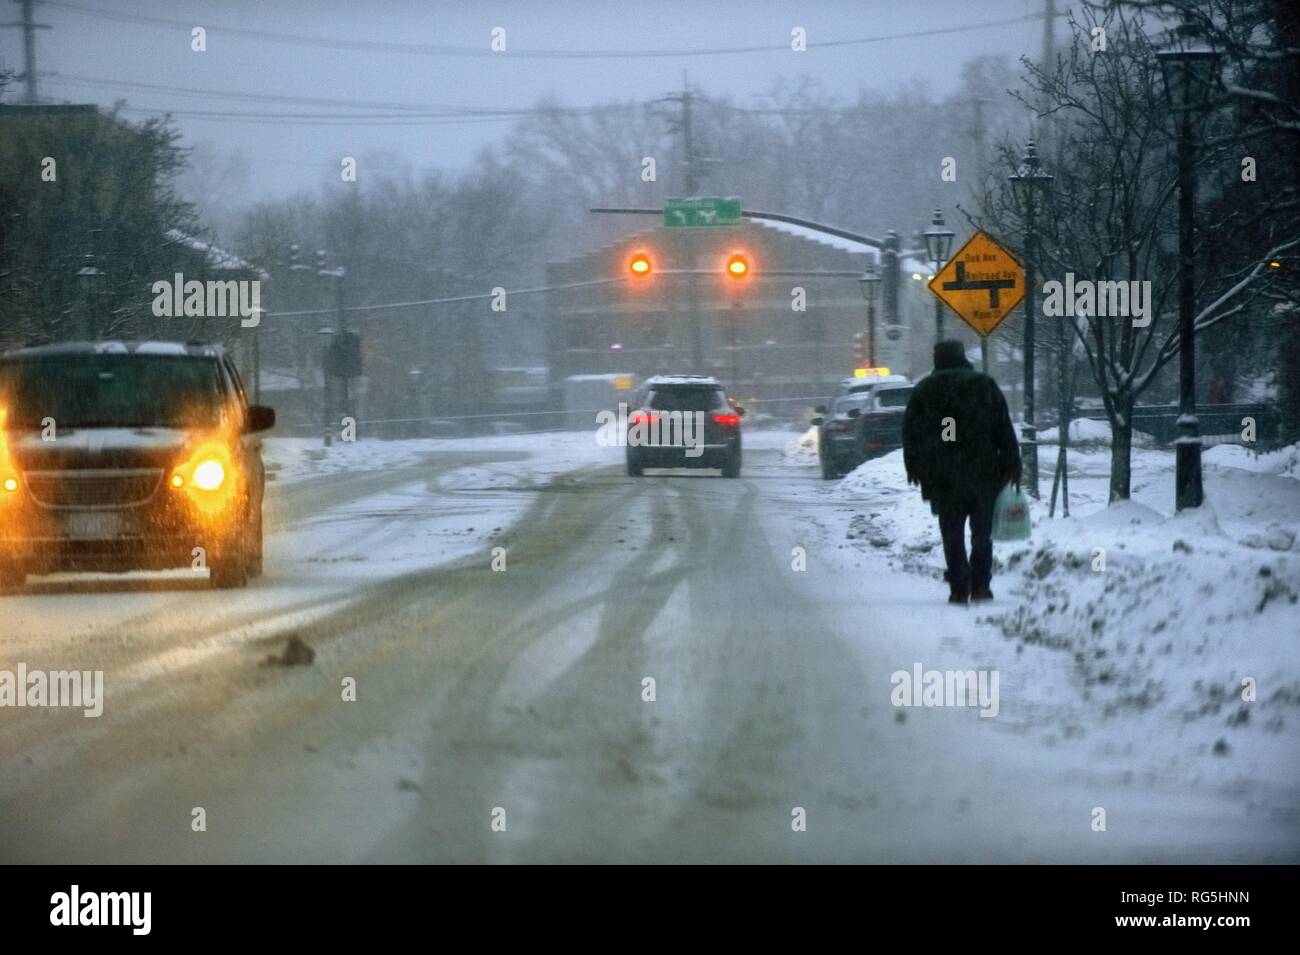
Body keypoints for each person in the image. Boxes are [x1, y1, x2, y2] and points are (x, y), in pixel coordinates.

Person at [902, 340, 1021, 604]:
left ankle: (959, 585)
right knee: (982, 532)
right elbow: (1003, 426)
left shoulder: (926, 389)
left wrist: (914, 465)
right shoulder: (984, 385)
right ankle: (980, 584)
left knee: (952, 532)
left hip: (944, 475)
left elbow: (912, 432)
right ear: (961, 356)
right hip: (984, 471)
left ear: (937, 359)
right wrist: (1012, 463)